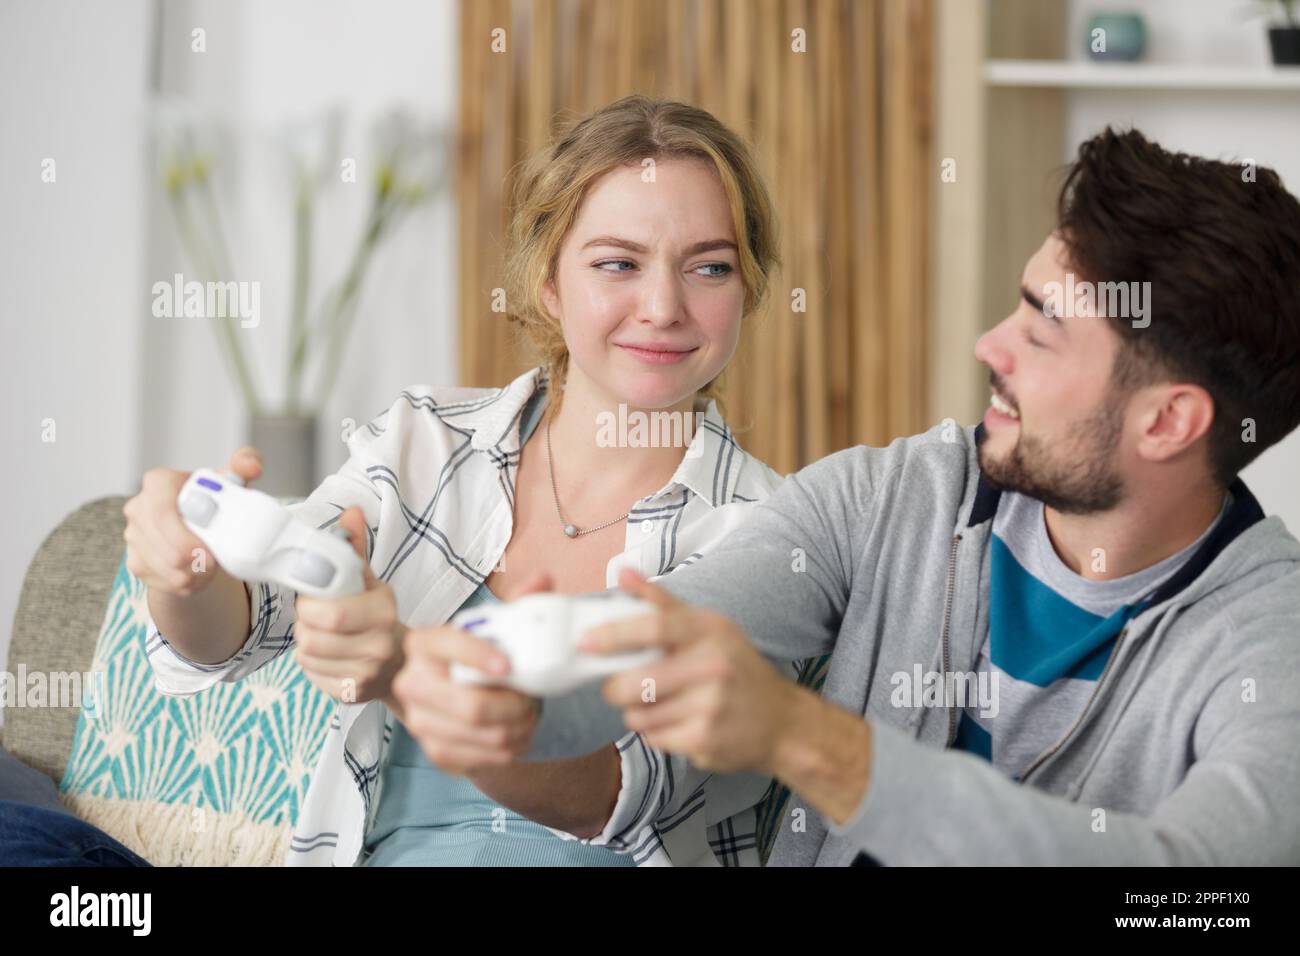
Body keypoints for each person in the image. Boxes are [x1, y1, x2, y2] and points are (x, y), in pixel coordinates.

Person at [414, 127, 1300, 865]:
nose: (992, 345)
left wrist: (813, 743)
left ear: (1168, 422)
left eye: (1043, 331)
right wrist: (519, 696)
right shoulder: (892, 499)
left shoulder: (1271, 637)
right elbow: (664, 650)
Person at [0, 95, 789, 867]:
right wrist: (186, 570)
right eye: (618, 263)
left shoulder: (772, 533)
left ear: (746, 288)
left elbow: (620, 795)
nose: (662, 306)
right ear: (550, 283)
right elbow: (243, 623)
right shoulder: (427, 440)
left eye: (709, 268)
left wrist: (402, 670)